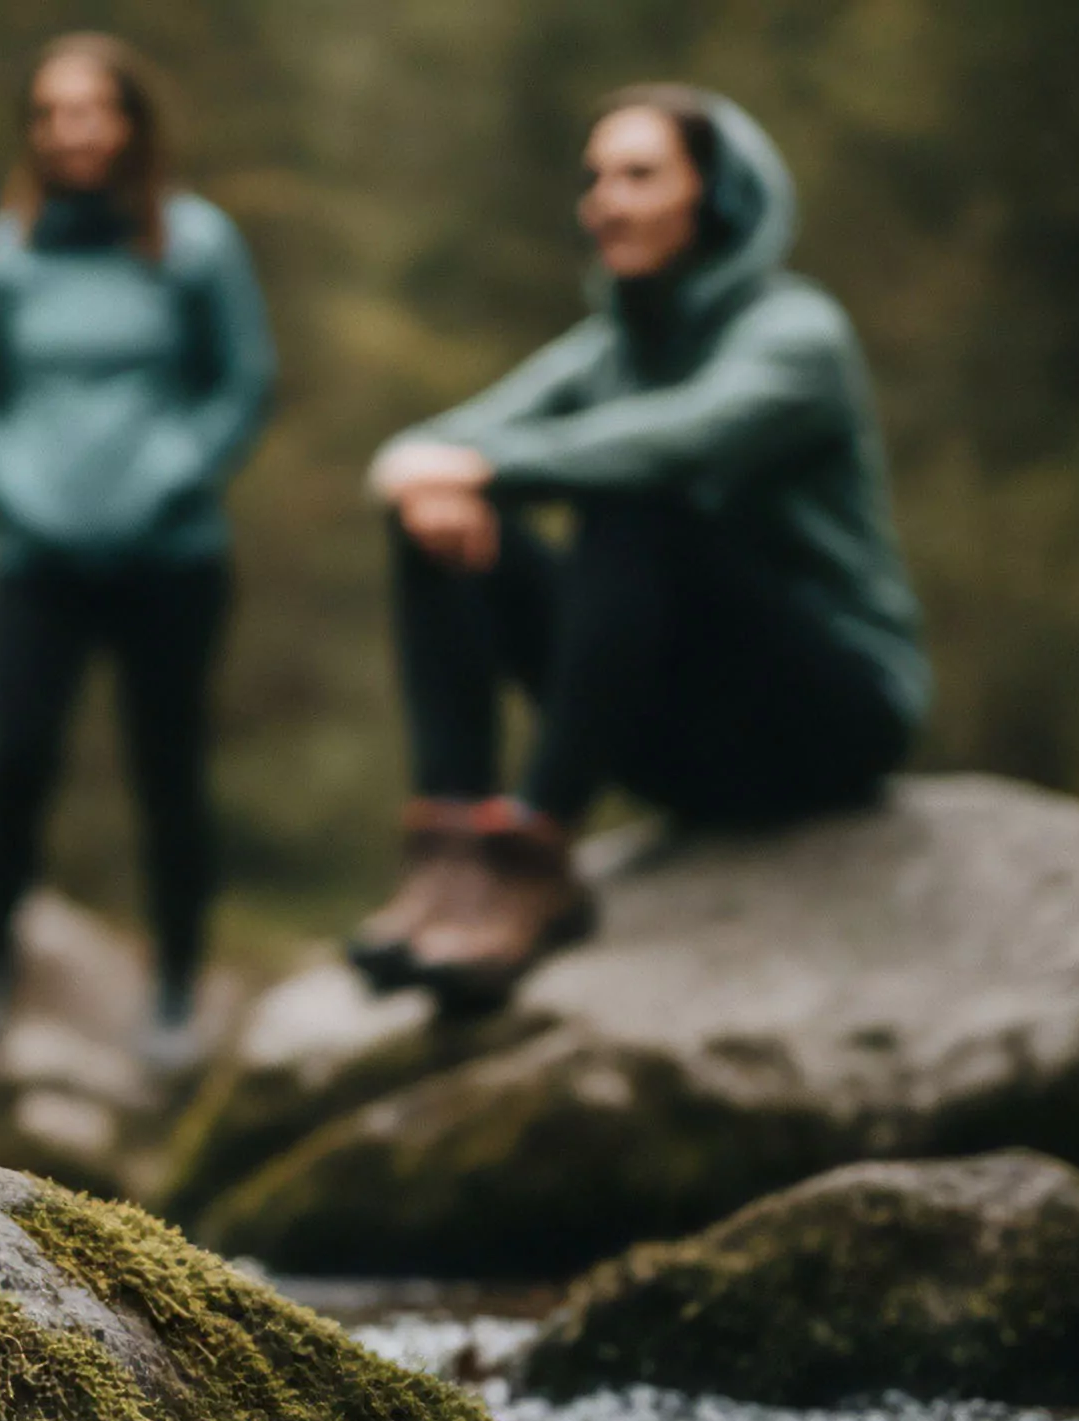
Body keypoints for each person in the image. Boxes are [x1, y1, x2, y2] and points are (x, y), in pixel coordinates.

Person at [350, 84, 925, 1006]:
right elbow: (413, 453)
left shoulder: (798, 334)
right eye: (595, 179)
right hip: (690, 744)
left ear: (721, 198)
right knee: (437, 525)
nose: (604, 201)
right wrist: (424, 479)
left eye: (640, 174)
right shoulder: (605, 349)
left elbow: (678, 440)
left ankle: (535, 854)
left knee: (631, 501)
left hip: (829, 721)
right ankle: (456, 862)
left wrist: (462, 466)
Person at [0, 32, 275, 1068]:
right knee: (13, 761)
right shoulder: (2, 252)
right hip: (33, 559)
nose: (69, 131)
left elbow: (242, 386)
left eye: (90, 111)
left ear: (131, 123)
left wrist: (169, 476)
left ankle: (173, 992)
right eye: (50, 114)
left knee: (167, 769)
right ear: (33, 132)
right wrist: (13, 489)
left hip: (170, 560)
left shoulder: (196, 245)